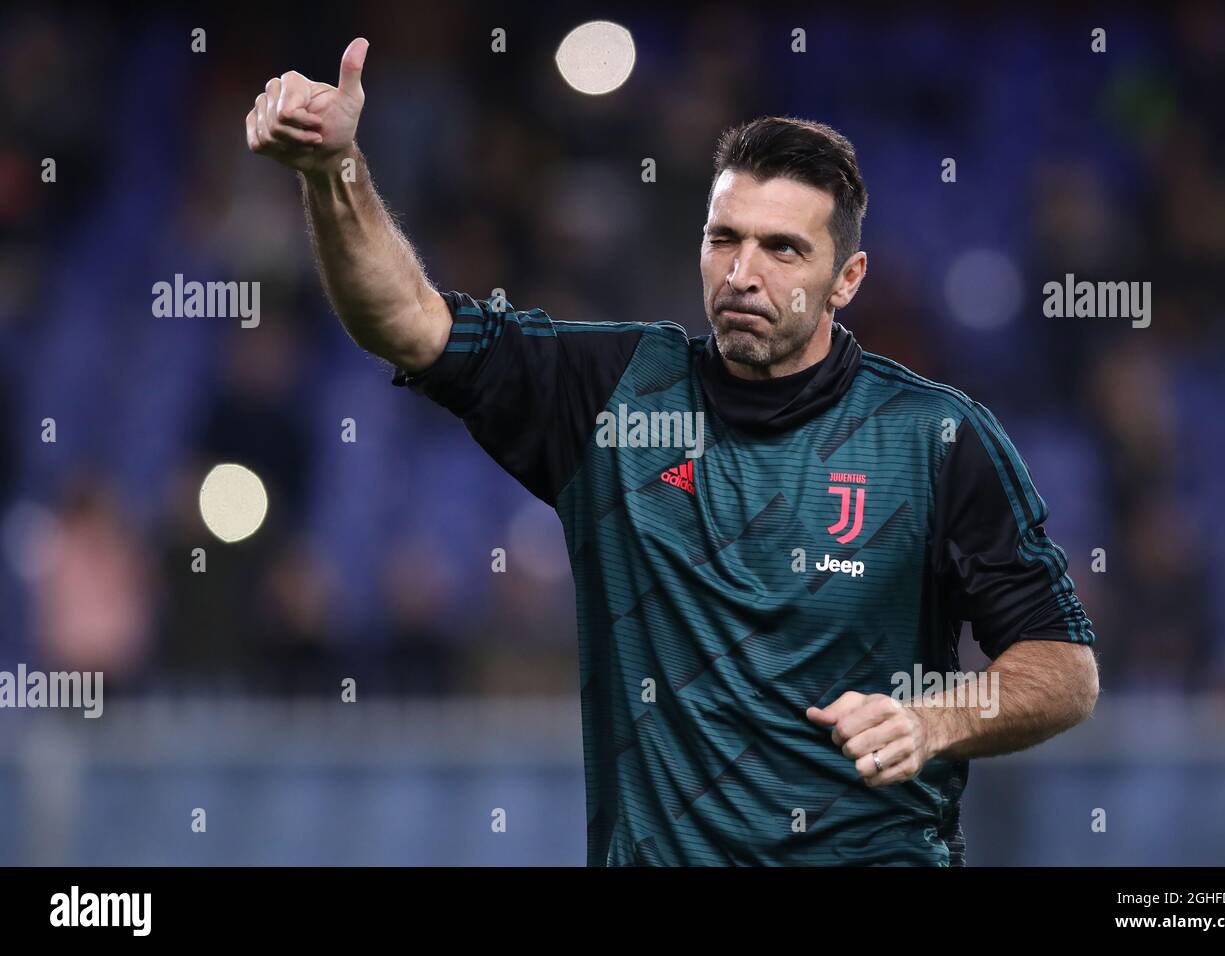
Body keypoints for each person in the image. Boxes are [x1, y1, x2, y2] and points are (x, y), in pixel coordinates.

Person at [245, 38, 1099, 866]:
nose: (742, 273)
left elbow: (1065, 669)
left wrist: (935, 720)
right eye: (724, 238)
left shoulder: (934, 437)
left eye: (783, 248)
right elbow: (406, 322)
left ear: (847, 278)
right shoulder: (612, 395)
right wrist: (333, 169)